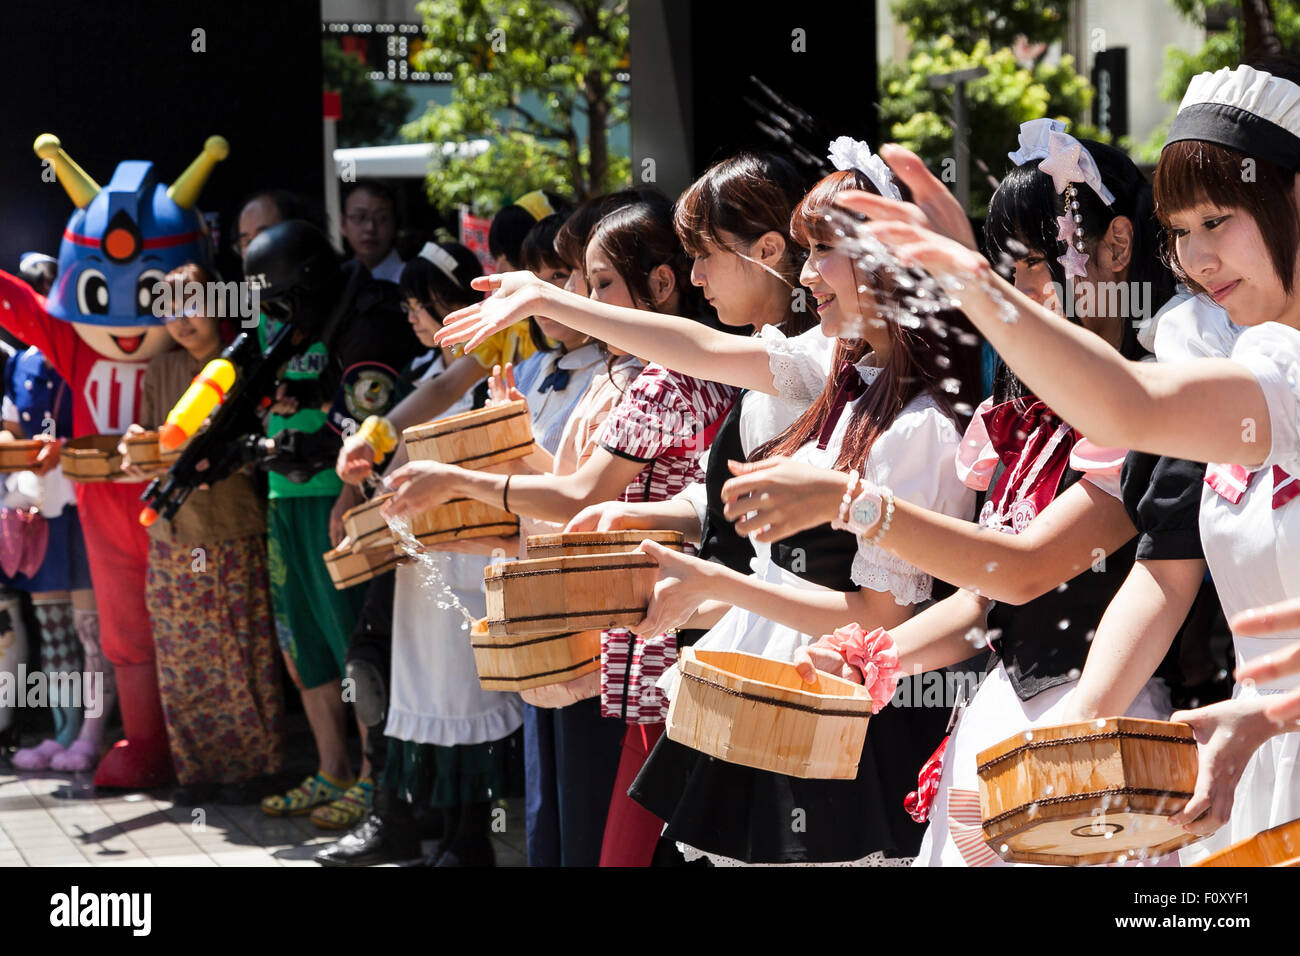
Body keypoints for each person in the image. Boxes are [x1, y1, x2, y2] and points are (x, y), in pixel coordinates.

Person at [854, 61, 1300, 858]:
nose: (1196, 259)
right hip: (1246, 758)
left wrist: (974, 287)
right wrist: (1077, 744)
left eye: (1218, 219)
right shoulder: (1237, 358)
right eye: (1182, 230)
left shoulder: (1258, 373)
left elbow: (1126, 408)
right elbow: (1164, 572)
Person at [387, 197, 736, 867]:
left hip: (646, 644)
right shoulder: (691, 371)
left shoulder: (661, 381)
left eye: (596, 282)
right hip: (655, 642)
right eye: (577, 281)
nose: (580, 297)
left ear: (661, 284)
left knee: (617, 849)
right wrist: (516, 458)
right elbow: (593, 496)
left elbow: (581, 495)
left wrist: (462, 483)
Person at [224, 220, 420, 829]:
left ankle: (373, 779)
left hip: (345, 501)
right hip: (288, 499)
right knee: (302, 641)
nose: (277, 313)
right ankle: (332, 768)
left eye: (281, 298)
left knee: (351, 642)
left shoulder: (369, 314)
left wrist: (341, 493)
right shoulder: (291, 320)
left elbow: (370, 417)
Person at [118, 263, 284, 804]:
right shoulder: (160, 369)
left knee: (243, 649)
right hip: (173, 533)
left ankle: (256, 768)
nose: (181, 320)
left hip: (233, 526)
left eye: (191, 304)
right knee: (183, 656)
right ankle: (198, 772)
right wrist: (136, 445)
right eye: (168, 308)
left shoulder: (245, 363)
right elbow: (146, 444)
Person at [339, 181, 403, 283]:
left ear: (395, 224)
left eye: (381, 218)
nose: (370, 228)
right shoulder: (336, 281)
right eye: (360, 217)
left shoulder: (413, 282)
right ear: (342, 224)